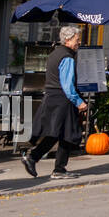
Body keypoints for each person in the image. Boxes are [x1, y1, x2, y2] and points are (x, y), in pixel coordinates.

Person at [23, 26, 90, 180]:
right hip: (63, 100)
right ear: (67, 39)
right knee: (68, 134)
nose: (79, 42)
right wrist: (79, 102)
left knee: (56, 132)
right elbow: (67, 85)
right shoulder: (67, 57)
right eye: (76, 39)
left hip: (52, 97)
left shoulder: (54, 54)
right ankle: (58, 168)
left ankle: (34, 158)